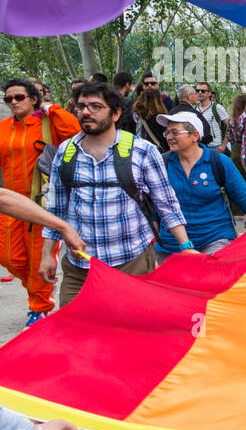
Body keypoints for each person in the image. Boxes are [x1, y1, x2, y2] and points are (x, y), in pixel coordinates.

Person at [40, 79, 196, 305]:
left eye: (95, 106)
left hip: (131, 264)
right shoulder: (66, 152)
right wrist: (47, 254)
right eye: (81, 106)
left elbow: (167, 204)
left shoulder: (142, 151)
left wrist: (186, 246)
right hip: (80, 269)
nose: (86, 112)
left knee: (129, 334)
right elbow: (55, 210)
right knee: (75, 335)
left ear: (115, 114)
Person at [0, 79, 81, 325]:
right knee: (9, 257)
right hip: (10, 203)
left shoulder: (49, 123)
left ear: (33, 98)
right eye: (8, 99)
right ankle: (36, 289)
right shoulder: (3, 127)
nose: (13, 102)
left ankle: (40, 307)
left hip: (42, 203)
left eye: (19, 97)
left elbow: (76, 133)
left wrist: (52, 109)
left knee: (38, 258)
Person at [156, 111, 246, 260]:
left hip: (215, 240)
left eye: (174, 132)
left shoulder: (219, 162)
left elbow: (245, 199)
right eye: (167, 132)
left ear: (195, 135)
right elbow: (152, 208)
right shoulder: (162, 164)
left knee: (213, 278)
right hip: (171, 245)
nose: (169, 137)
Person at [193, 82, 230, 153]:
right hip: (199, 146)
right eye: (197, 91)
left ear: (209, 93)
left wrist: (223, 145)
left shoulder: (217, 107)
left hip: (215, 146)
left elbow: (230, 126)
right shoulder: (194, 108)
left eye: (203, 91)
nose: (200, 93)